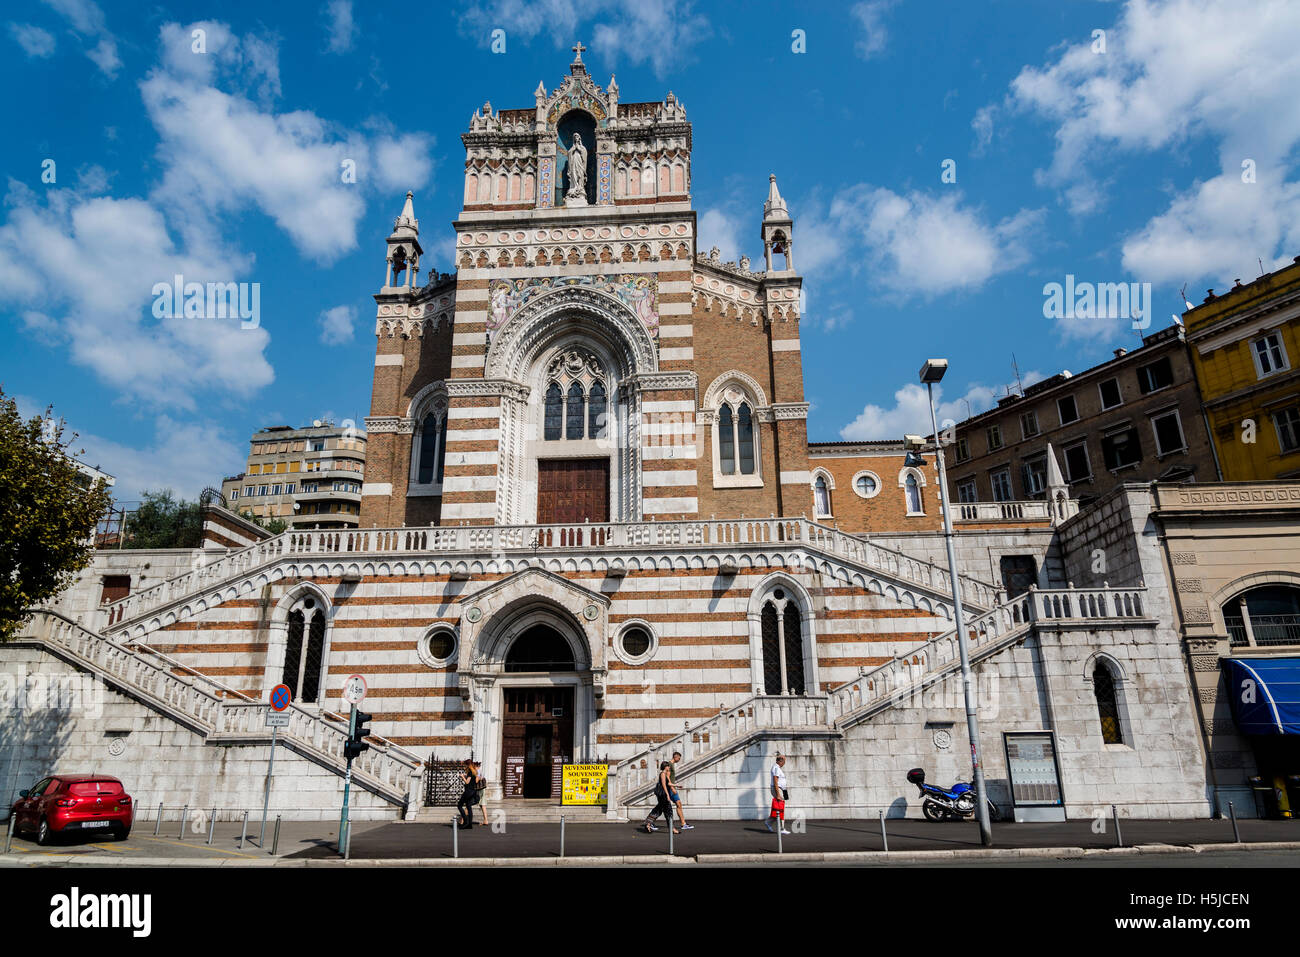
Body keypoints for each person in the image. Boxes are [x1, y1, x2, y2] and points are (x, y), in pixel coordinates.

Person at [642, 761, 679, 834]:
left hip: (663, 795)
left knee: (659, 809)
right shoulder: (662, 774)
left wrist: (677, 785)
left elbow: (668, 783)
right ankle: (671, 828)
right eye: (668, 766)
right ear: (665, 767)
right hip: (663, 795)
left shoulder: (665, 774)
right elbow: (664, 785)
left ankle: (648, 824)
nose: (669, 767)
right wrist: (667, 794)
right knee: (668, 811)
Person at [765, 753, 791, 835]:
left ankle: (768, 822)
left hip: (782, 790)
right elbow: (775, 781)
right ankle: (782, 828)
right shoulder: (776, 768)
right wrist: (778, 794)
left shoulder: (778, 768)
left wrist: (785, 793)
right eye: (784, 761)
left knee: (779, 808)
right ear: (781, 761)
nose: (784, 763)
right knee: (780, 809)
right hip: (778, 790)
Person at [668, 751, 693, 829]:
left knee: (678, 804)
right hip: (671, 788)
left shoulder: (671, 765)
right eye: (679, 758)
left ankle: (683, 823)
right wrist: (672, 788)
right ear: (676, 757)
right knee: (678, 804)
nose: (679, 760)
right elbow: (667, 777)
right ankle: (683, 823)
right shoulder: (670, 765)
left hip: (672, 788)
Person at [457, 760, 480, 829]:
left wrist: (462, 777)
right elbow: (475, 780)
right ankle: (469, 824)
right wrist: (466, 775)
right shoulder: (474, 772)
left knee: (459, 805)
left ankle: (466, 822)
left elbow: (467, 782)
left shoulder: (470, 771)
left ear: (467, 765)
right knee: (469, 806)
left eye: (465, 765)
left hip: (468, 792)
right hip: (473, 791)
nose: (464, 767)